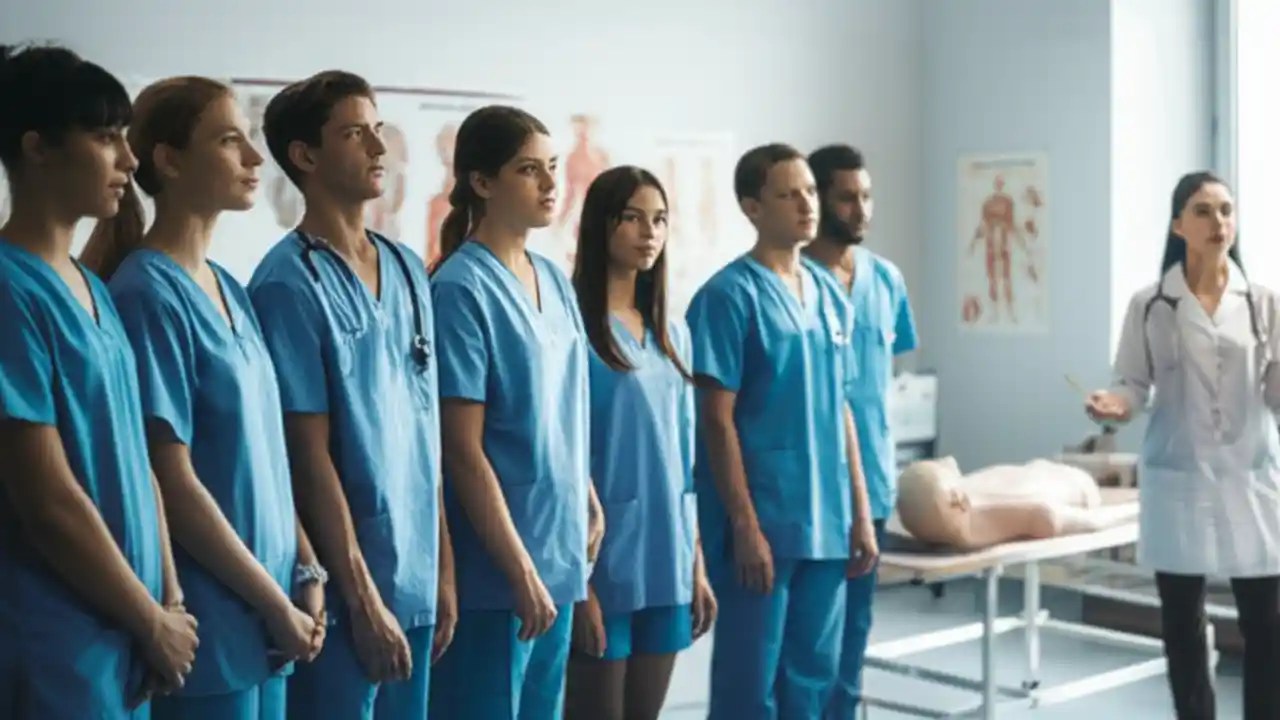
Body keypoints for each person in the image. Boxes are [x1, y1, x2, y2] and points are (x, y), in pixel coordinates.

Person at [80, 76, 327, 720]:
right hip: (218, 627)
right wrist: (273, 602)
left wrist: (306, 570)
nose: (253, 158)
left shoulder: (228, 288)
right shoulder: (147, 294)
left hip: (271, 619)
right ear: (168, 159)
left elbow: (266, 457)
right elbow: (174, 480)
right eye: (229, 140)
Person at [246, 70, 454, 720]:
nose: (376, 147)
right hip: (344, 593)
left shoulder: (406, 268)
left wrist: (443, 565)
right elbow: (306, 457)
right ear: (305, 156)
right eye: (354, 133)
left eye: (377, 129)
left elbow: (426, 433)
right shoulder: (286, 283)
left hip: (417, 576)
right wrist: (361, 600)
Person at [0, 43, 199, 719]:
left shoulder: (93, 288)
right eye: (106, 138)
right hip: (63, 643)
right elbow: (48, 500)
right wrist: (149, 620)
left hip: (131, 634)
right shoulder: (10, 289)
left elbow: (136, 459)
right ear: (38, 149)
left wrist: (168, 602)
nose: (129, 161)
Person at [686, 143, 878, 719]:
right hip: (762, 523)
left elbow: (843, 408)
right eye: (788, 194)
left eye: (811, 192)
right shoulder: (726, 298)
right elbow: (715, 419)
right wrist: (744, 525)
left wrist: (861, 512)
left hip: (826, 520)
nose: (806, 204)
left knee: (813, 681)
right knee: (751, 686)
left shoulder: (824, 293)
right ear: (751, 206)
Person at [427, 105, 605, 719]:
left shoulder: (553, 280)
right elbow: (461, 448)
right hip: (495, 573)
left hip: (555, 555)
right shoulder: (459, 290)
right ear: (482, 182)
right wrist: (517, 568)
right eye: (530, 170)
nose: (551, 184)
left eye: (553, 168)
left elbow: (562, 409)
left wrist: (585, 492)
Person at [1086, 171, 1280, 720]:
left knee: (1267, 626)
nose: (1219, 222)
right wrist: (1113, 404)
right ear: (1178, 225)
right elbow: (1131, 383)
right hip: (1180, 479)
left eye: (1226, 210)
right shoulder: (1150, 304)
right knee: (1183, 627)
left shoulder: (1265, 305)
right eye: (1203, 211)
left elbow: (1276, 393)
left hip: (1253, 479)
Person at [563, 166, 718, 720]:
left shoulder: (674, 334)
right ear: (600, 226)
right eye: (632, 218)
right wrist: (579, 586)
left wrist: (695, 566)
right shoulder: (572, 330)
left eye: (659, 220)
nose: (648, 232)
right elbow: (567, 460)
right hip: (603, 564)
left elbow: (685, 461)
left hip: (668, 558)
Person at [802, 143, 917, 718]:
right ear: (818, 200)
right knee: (806, 649)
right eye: (847, 197)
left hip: (871, 477)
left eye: (867, 196)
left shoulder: (886, 280)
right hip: (812, 486)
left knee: (854, 641)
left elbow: (880, 377)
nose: (861, 208)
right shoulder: (791, 279)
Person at [894, 456, 1137, 550]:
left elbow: (946, 466)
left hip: (1057, 477)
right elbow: (1094, 521)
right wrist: (1138, 508)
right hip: (1076, 486)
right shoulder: (1032, 512)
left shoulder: (943, 499)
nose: (949, 460)